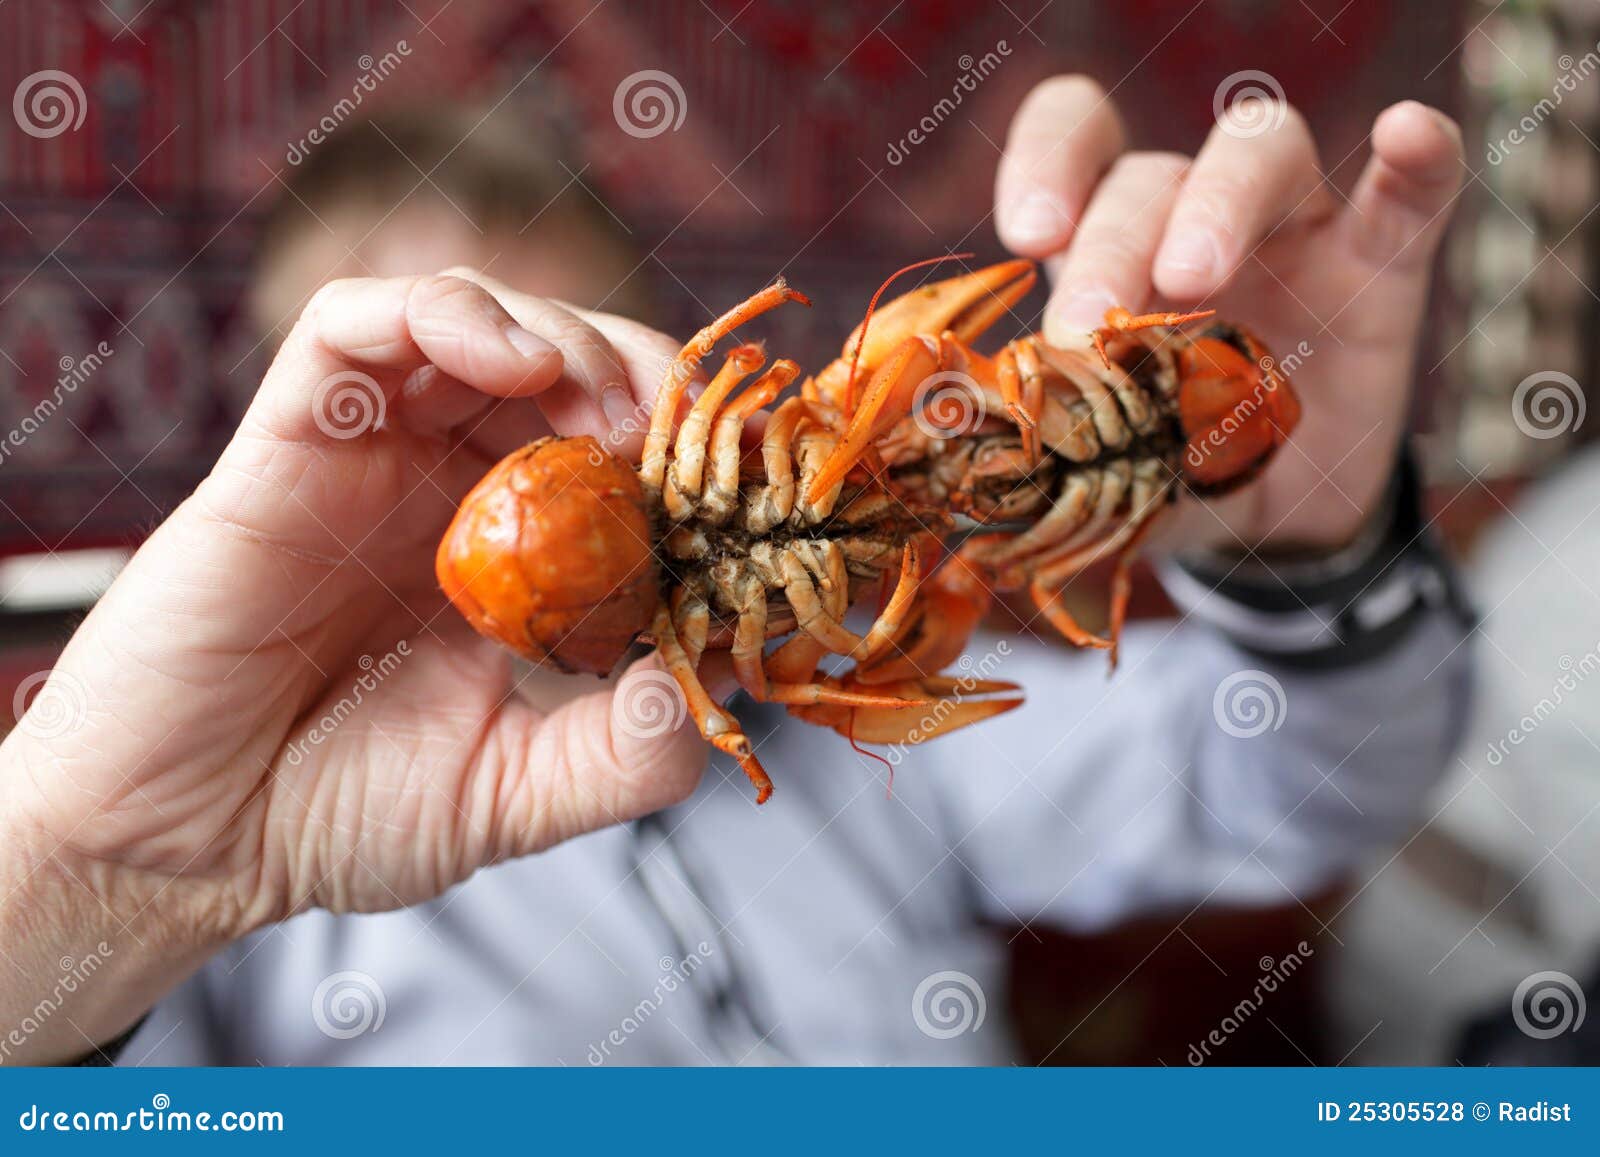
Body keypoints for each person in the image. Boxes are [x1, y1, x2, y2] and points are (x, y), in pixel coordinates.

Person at [0, 78, 1473, 1065]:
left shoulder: (864, 712)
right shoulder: (225, 909)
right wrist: (97, 874)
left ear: (663, 374)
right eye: (408, 395)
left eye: (532, 356)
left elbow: (1314, 787)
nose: (482, 434)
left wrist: (1307, 548)